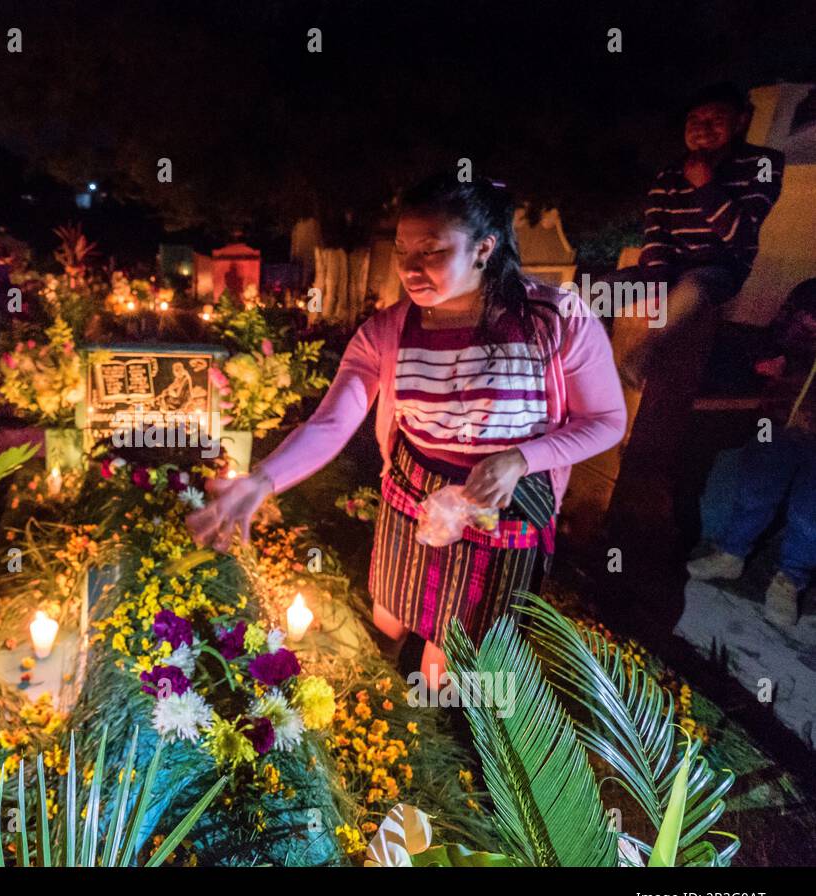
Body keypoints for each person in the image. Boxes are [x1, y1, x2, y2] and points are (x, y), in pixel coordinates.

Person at [187, 173, 626, 683]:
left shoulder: (555, 320)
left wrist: (521, 459)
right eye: (402, 249)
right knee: (389, 613)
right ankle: (379, 696)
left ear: (484, 248)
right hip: (412, 493)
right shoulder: (388, 331)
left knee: (450, 649)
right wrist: (263, 479)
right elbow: (331, 421)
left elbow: (606, 420)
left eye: (432, 251)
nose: (410, 268)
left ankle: (427, 732)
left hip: (502, 505)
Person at [617, 83, 784, 386]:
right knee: (600, 288)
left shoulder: (764, 164)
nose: (703, 129)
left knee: (693, 287)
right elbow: (656, 236)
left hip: (720, 270)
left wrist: (705, 185)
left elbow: (741, 234)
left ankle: (642, 357)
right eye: (695, 121)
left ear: (741, 121)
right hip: (668, 272)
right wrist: (657, 285)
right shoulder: (668, 175)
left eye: (716, 119)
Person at [686, 279, 816, 626]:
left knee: (810, 513)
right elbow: (775, 337)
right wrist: (767, 360)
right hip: (777, 415)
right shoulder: (806, 293)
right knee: (755, 490)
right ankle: (731, 555)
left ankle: (789, 581)